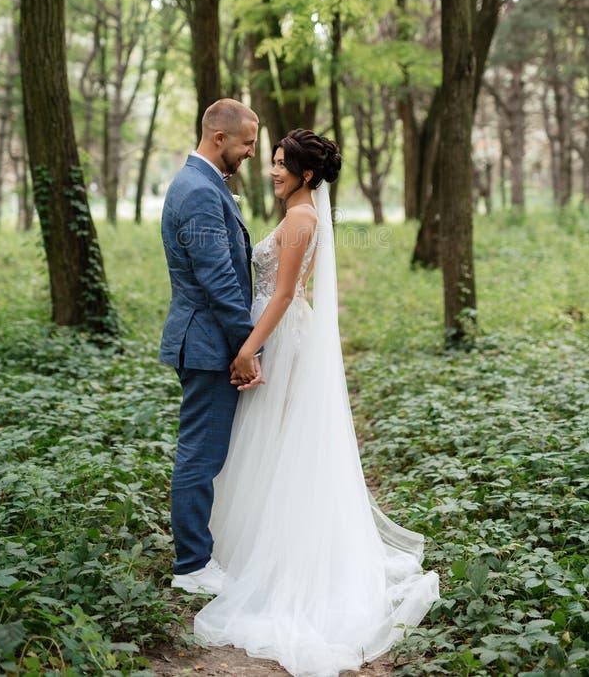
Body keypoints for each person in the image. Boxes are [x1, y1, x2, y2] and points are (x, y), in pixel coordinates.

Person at [193, 128, 441, 677]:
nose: (272, 171)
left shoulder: (302, 219)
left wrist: (249, 349)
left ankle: (285, 557)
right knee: (268, 445)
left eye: (282, 164)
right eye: (272, 161)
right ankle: (257, 546)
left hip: (280, 338)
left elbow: (283, 294)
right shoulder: (297, 214)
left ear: (307, 174)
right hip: (274, 331)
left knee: (280, 446)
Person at [159, 98, 264, 597]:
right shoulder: (200, 191)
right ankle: (191, 565)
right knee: (199, 457)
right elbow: (219, 279)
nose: (252, 153)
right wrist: (247, 348)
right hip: (206, 342)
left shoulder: (201, 184)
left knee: (203, 453)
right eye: (247, 143)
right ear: (218, 137)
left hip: (206, 338)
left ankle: (198, 554)